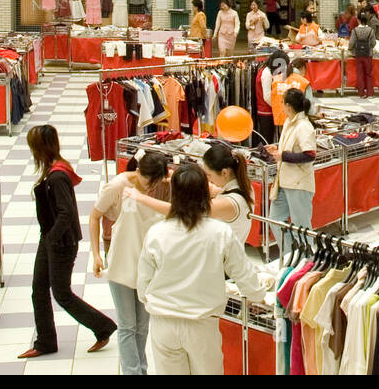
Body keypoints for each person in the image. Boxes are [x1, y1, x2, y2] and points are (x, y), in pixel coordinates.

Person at [136, 163, 265, 375]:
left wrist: (153, 300)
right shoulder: (219, 232)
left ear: (174, 194)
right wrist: (257, 295)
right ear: (205, 193)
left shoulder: (157, 232)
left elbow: (143, 282)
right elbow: (243, 273)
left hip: (163, 322)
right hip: (201, 324)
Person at [21, 125, 116, 358]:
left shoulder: (58, 175)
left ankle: (103, 327)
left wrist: (52, 238)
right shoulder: (53, 170)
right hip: (52, 239)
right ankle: (45, 341)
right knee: (39, 289)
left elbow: (66, 213)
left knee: (62, 293)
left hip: (61, 242)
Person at [88, 149, 170, 375]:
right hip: (120, 260)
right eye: (149, 180)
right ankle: (132, 372)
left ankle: (140, 369)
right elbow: (94, 216)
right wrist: (96, 254)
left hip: (147, 264)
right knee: (127, 325)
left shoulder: (156, 184)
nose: (152, 186)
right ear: (139, 170)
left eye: (157, 181)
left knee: (142, 325)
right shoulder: (117, 186)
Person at [130, 141, 254, 245]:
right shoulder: (243, 185)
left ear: (224, 172)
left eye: (209, 175)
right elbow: (212, 189)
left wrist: (140, 197)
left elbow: (179, 211)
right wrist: (179, 177)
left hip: (222, 262)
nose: (208, 179)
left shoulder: (228, 203)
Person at [266, 87, 316, 259]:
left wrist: (283, 155)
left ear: (287, 106)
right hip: (283, 181)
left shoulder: (304, 126)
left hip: (299, 183)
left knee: (301, 227)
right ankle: (290, 256)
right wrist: (278, 150)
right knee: (275, 220)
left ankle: (306, 262)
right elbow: (289, 148)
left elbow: (310, 155)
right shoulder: (289, 122)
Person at [348, 11, 377, 98]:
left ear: (358, 20)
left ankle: (361, 93)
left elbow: (351, 44)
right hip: (368, 55)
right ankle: (370, 93)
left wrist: (350, 49)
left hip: (358, 54)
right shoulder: (370, 30)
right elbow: (373, 43)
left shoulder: (355, 31)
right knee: (368, 74)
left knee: (360, 74)